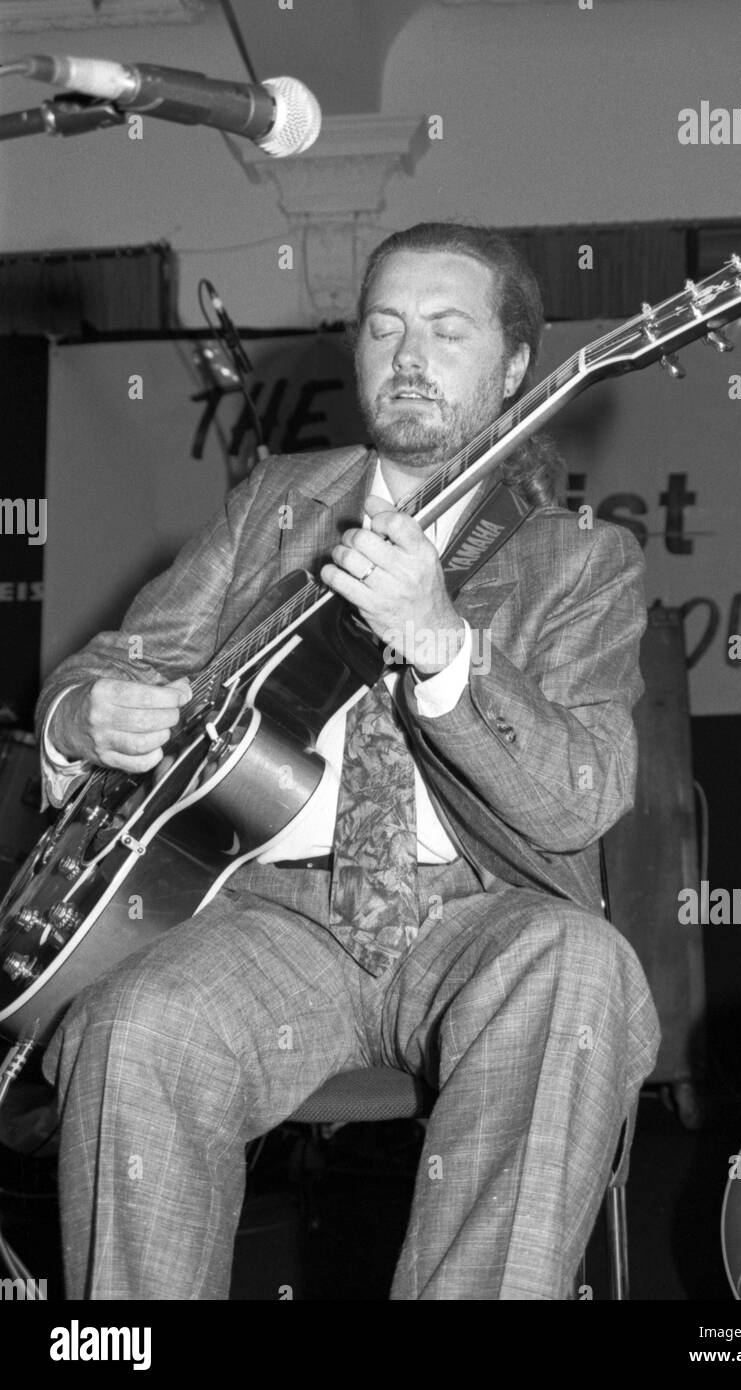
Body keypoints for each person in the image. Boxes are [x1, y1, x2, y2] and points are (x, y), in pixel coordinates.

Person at [36, 221, 659, 1300]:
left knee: (579, 967)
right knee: (132, 1027)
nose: (407, 355)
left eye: (446, 329)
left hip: (479, 910)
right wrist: (85, 717)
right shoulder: (275, 504)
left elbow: (580, 798)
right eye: (384, 327)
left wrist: (443, 644)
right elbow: (107, 663)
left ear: (514, 365)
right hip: (265, 913)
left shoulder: (581, 558)